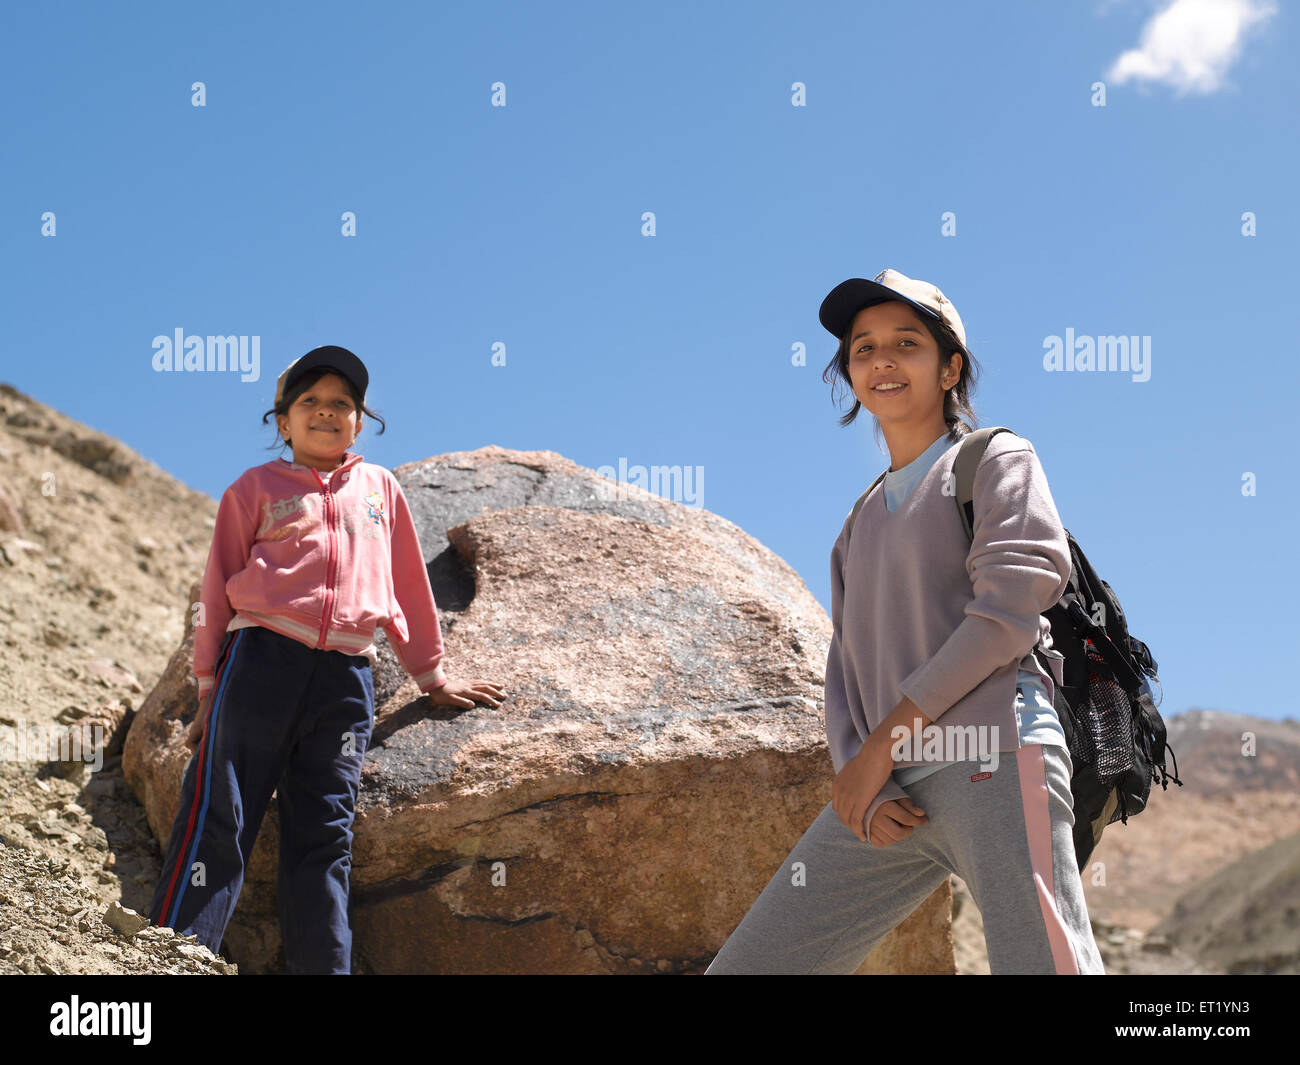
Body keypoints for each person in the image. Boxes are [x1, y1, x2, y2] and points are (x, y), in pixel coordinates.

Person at [705, 271, 1105, 975]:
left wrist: (877, 752)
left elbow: (1004, 620)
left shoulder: (995, 460)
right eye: (864, 348)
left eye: (906, 344)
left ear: (949, 367)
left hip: (998, 759)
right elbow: (846, 668)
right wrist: (862, 772)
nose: (882, 360)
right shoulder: (857, 523)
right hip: (889, 794)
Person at [148, 344, 506, 974]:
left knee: (324, 843)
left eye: (342, 403)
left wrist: (432, 675)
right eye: (308, 401)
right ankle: (168, 962)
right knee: (219, 816)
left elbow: (406, 590)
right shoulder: (253, 489)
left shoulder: (381, 490)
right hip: (260, 663)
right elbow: (215, 589)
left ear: (359, 422)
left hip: (345, 682)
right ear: (282, 422)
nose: (326, 412)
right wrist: (208, 690)